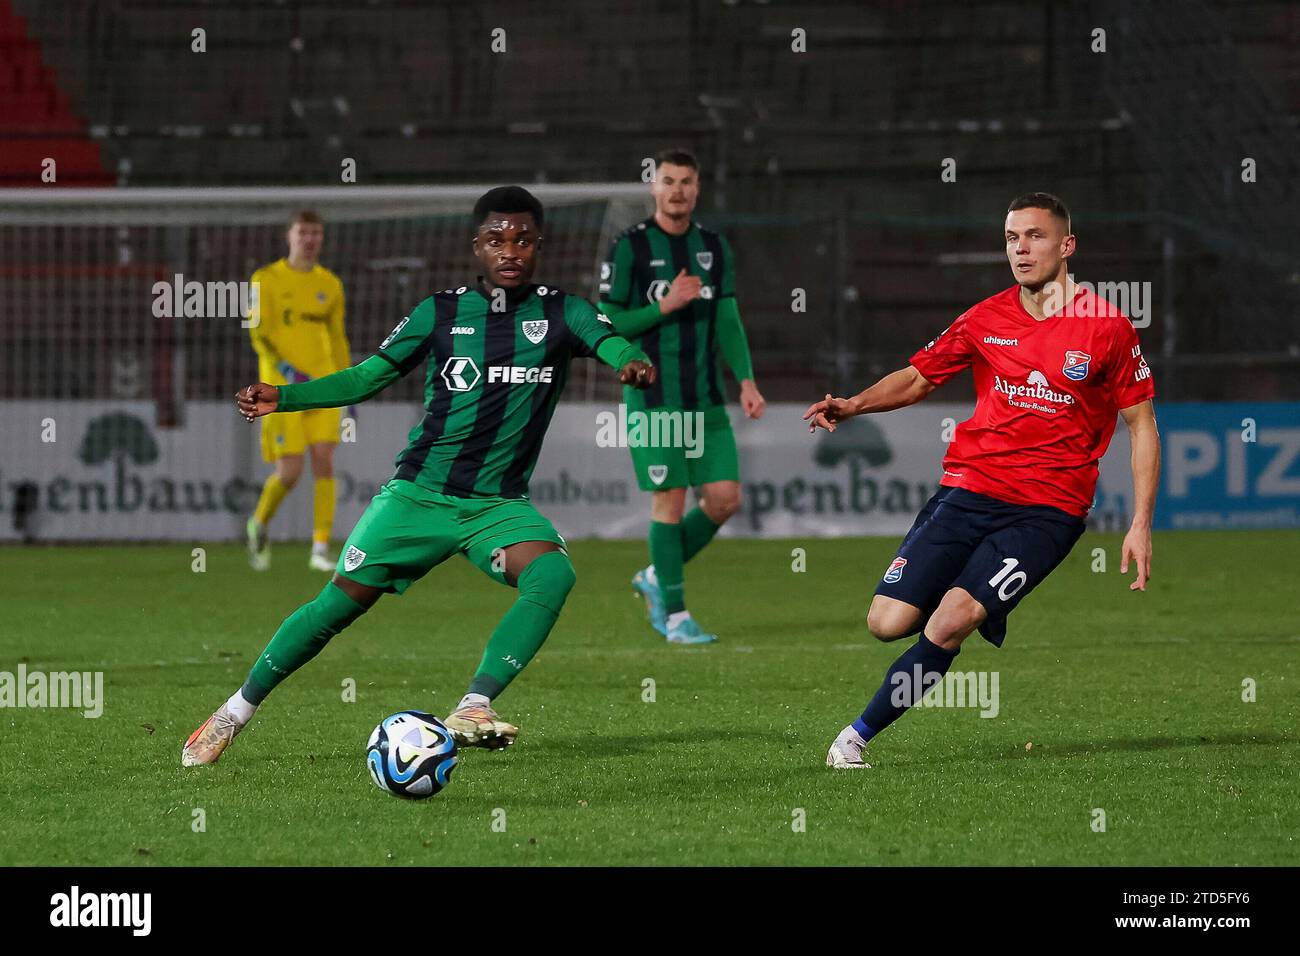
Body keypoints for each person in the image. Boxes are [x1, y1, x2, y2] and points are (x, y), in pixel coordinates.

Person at [182, 186, 656, 766]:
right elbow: (366, 377)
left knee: (552, 575)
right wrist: (286, 396)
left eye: (524, 240)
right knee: (336, 608)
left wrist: (628, 361)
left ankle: (474, 705)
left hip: (496, 508)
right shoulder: (441, 311)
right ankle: (234, 712)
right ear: (476, 247)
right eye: (496, 240)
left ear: (539, 247)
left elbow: (610, 339)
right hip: (417, 496)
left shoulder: (563, 311)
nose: (511, 250)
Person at [806, 192, 1160, 769]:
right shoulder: (985, 317)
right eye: (1012, 238)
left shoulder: (1108, 327)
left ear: (1067, 245)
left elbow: (1141, 424)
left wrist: (1142, 522)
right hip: (968, 491)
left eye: (1036, 236)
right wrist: (855, 405)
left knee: (951, 620)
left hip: (1047, 512)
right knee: (885, 622)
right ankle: (957, 604)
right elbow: (919, 378)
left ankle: (854, 739)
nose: (1021, 248)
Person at [599, 148, 765, 644]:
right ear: (654, 187)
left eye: (686, 182)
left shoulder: (714, 246)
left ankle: (654, 575)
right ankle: (673, 616)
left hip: (706, 397)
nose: (677, 190)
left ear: (697, 188)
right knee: (669, 501)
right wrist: (663, 305)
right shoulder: (628, 247)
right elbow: (605, 320)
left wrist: (747, 379)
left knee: (723, 499)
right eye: (668, 181)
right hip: (654, 397)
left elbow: (729, 319)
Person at [245, 210, 351, 572]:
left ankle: (320, 549)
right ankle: (258, 523)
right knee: (290, 472)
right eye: (303, 232)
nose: (309, 239)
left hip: (323, 386)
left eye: (316, 232)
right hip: (280, 391)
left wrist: (349, 381)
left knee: (325, 461)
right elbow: (258, 335)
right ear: (289, 236)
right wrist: (286, 370)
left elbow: (337, 338)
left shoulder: (331, 284)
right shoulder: (266, 280)